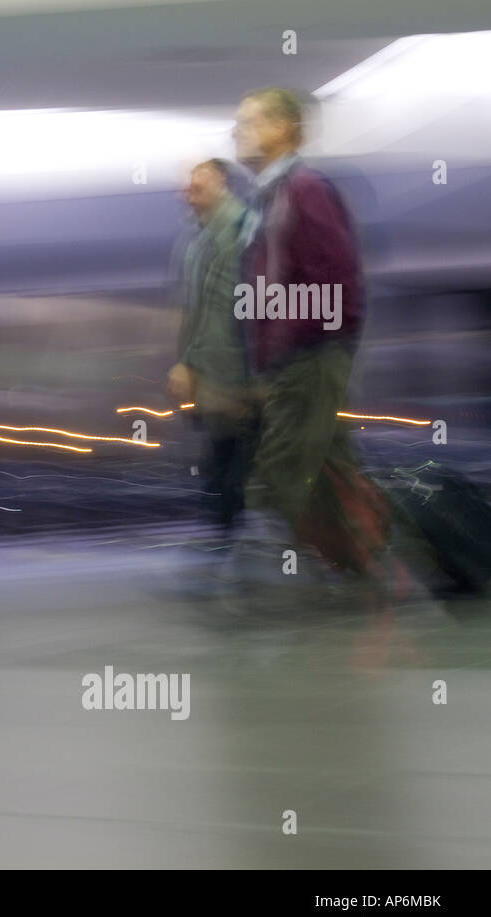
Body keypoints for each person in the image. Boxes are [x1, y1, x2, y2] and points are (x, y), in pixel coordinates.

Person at [232, 87, 409, 657]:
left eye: (249, 123)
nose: (237, 133)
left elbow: (334, 279)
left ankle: (249, 578)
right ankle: (377, 571)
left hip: (310, 355)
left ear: (284, 129)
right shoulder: (268, 197)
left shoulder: (303, 191)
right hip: (292, 357)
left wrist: (302, 345)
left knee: (280, 464)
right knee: (331, 471)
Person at [167, 159, 255, 541]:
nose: (186, 188)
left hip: (235, 372)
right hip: (213, 373)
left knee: (230, 463)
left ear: (221, 180)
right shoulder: (196, 235)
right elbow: (195, 307)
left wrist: (233, 380)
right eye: (184, 183)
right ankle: (227, 546)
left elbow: (229, 312)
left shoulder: (238, 230)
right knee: (224, 460)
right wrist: (186, 364)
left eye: (196, 179)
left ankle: (226, 548)